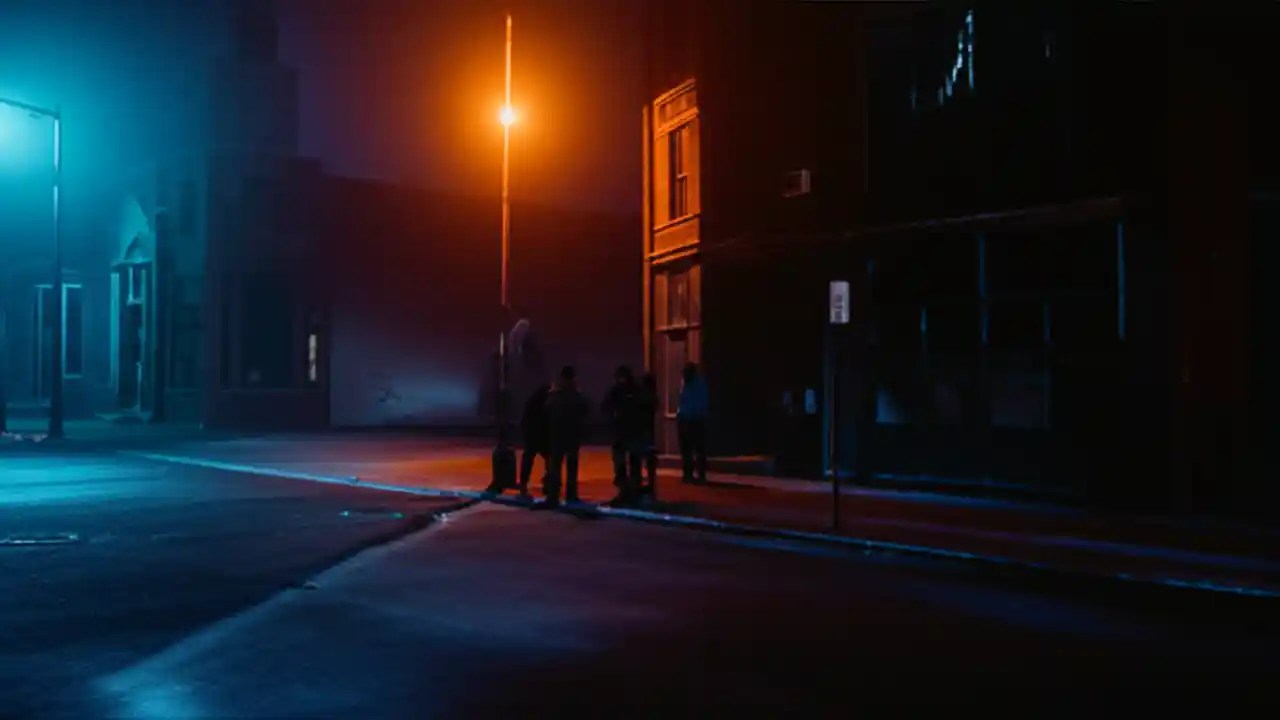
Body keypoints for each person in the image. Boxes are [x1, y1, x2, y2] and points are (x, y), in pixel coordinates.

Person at [542, 365, 589, 507]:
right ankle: (570, 495)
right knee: (570, 466)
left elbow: (547, 412)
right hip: (571, 435)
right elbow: (584, 412)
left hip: (558, 435)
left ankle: (554, 496)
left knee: (556, 466)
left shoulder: (555, 395)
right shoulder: (576, 395)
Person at [602, 365, 644, 505]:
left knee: (632, 461)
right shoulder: (619, 391)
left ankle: (630, 489)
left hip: (630, 431)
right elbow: (605, 406)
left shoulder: (630, 390)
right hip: (624, 432)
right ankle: (626, 489)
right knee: (623, 462)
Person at [677, 362, 709, 485]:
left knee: (698, 448)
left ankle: (700, 474)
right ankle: (688, 474)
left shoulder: (699, 384)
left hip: (695, 419)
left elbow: (702, 402)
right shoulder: (685, 383)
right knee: (686, 449)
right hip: (685, 418)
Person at [518, 382, 551, 497]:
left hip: (534, 433)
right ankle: (548, 484)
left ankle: (524, 485)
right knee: (550, 459)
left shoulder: (535, 401)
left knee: (529, 458)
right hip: (539, 433)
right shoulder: (547, 400)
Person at [638, 373, 660, 501]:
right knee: (649, 461)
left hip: (643, 432)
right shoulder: (651, 397)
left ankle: (645, 486)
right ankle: (650, 487)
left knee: (642, 459)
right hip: (647, 433)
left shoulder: (644, 397)